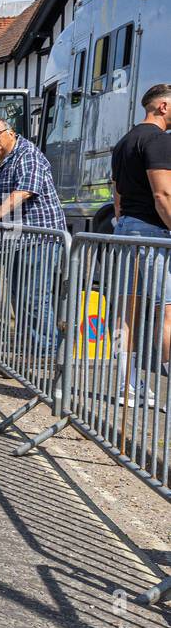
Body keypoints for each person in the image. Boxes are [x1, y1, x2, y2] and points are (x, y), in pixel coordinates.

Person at [0, 117, 66, 351]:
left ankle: (47, 349)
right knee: (19, 294)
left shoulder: (28, 154)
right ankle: (31, 345)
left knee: (34, 295)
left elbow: (24, 191)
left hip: (40, 237)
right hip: (16, 238)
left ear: (11, 132)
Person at [111, 82, 171, 407]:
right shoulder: (158, 139)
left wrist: (123, 221)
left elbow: (117, 195)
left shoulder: (124, 142)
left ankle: (126, 385)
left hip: (126, 230)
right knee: (167, 312)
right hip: (152, 233)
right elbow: (163, 194)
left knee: (127, 309)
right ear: (162, 107)